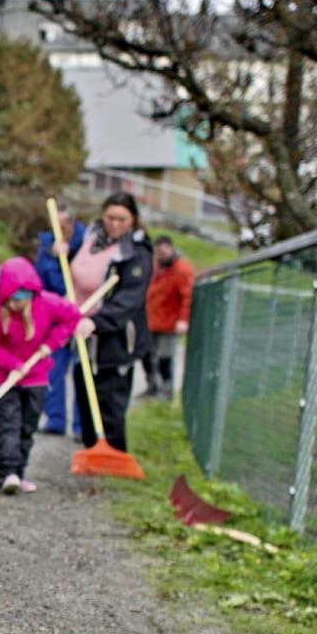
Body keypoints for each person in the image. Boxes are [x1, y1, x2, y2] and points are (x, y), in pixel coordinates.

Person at [0, 257, 81, 494]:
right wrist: (12, 364)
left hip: (35, 376)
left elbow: (72, 317)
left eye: (22, 300)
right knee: (8, 423)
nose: (17, 305)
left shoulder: (47, 304)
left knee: (27, 425)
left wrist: (51, 344)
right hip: (3, 377)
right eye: (12, 300)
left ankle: (18, 471)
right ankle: (7, 472)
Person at [69, 193, 153, 453]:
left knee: (110, 402)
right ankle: (91, 451)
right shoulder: (91, 239)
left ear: (133, 219)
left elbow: (129, 299)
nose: (115, 224)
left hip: (115, 340)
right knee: (85, 395)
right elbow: (75, 268)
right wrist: (60, 251)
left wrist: (96, 321)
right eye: (110, 217)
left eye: (122, 219)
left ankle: (114, 455)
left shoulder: (136, 253)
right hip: (82, 332)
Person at [33, 205, 89, 436]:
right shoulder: (47, 247)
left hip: (81, 314)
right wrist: (51, 257)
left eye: (63, 226)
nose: (60, 231)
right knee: (52, 369)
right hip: (54, 320)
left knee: (81, 370)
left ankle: (80, 426)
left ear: (72, 223)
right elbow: (39, 281)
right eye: (55, 225)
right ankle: (55, 419)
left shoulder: (87, 243)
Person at [145, 233, 193, 399]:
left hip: (169, 322)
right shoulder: (157, 266)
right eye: (158, 253)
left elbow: (188, 296)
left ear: (171, 249)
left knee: (165, 358)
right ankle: (153, 387)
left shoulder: (181, 268)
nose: (160, 256)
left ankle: (166, 392)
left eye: (163, 253)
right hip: (152, 319)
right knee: (150, 356)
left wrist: (183, 320)